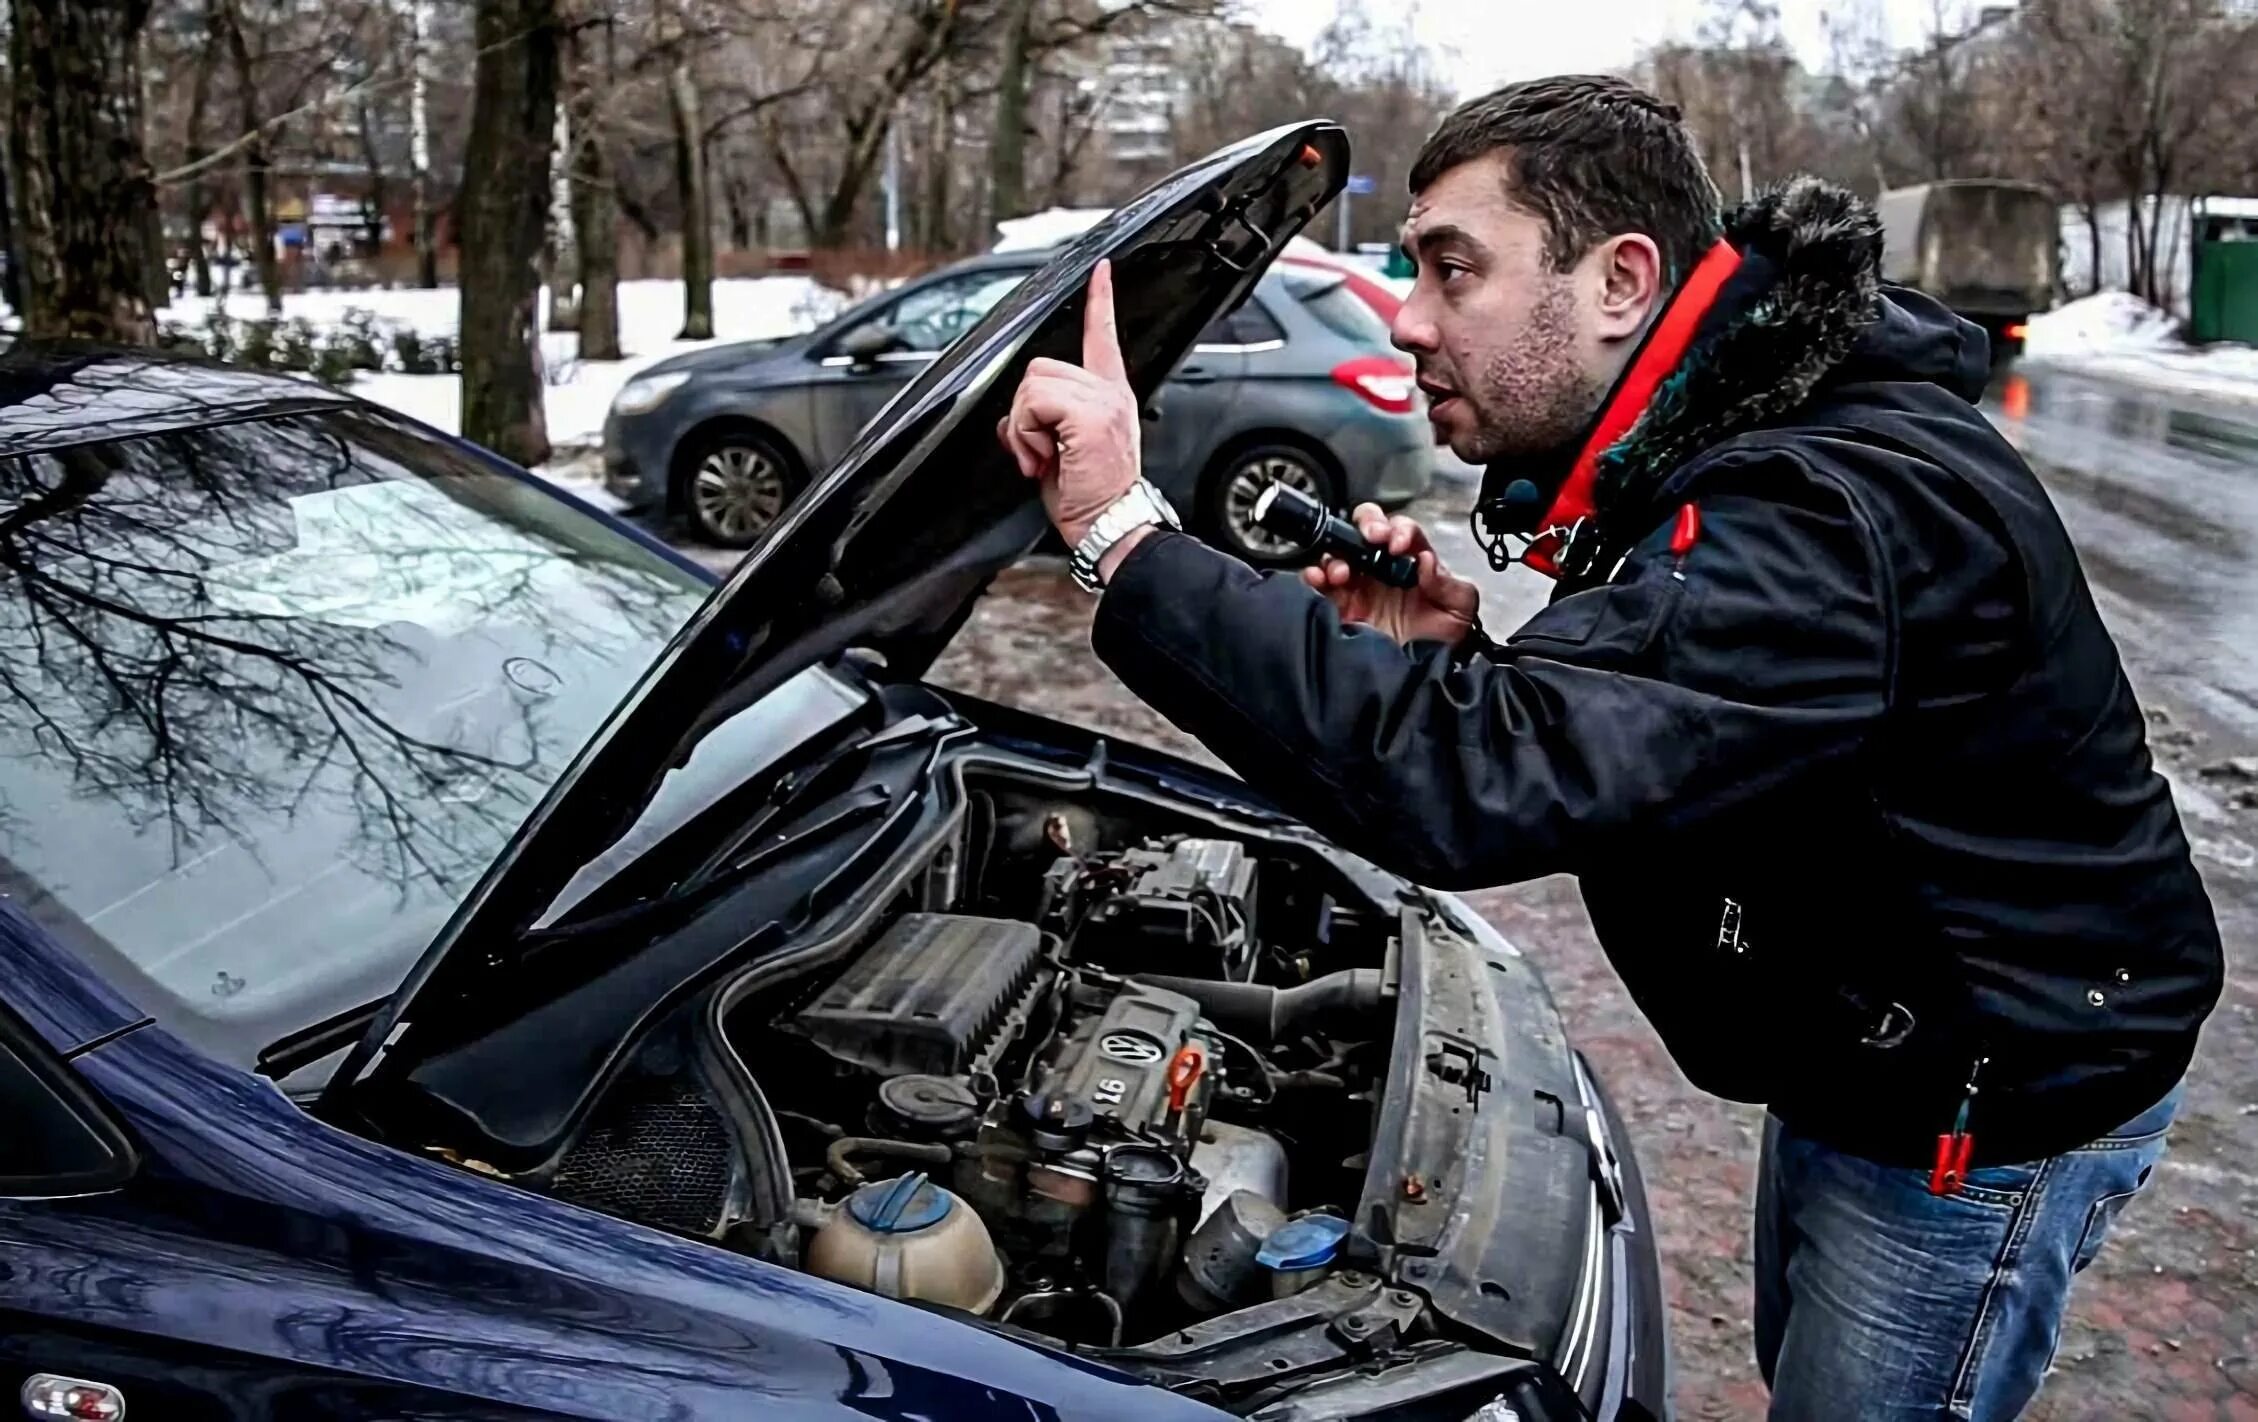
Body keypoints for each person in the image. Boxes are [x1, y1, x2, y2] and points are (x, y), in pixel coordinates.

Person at [998, 76, 2222, 1420]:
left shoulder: (1817, 505)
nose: (1405, 318)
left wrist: (1126, 536)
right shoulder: (1734, 440)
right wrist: (1456, 667)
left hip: (1978, 1104)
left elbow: (1490, 777)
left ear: (1620, 281)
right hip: (1874, 1044)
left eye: (1451, 269)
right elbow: (1666, 738)